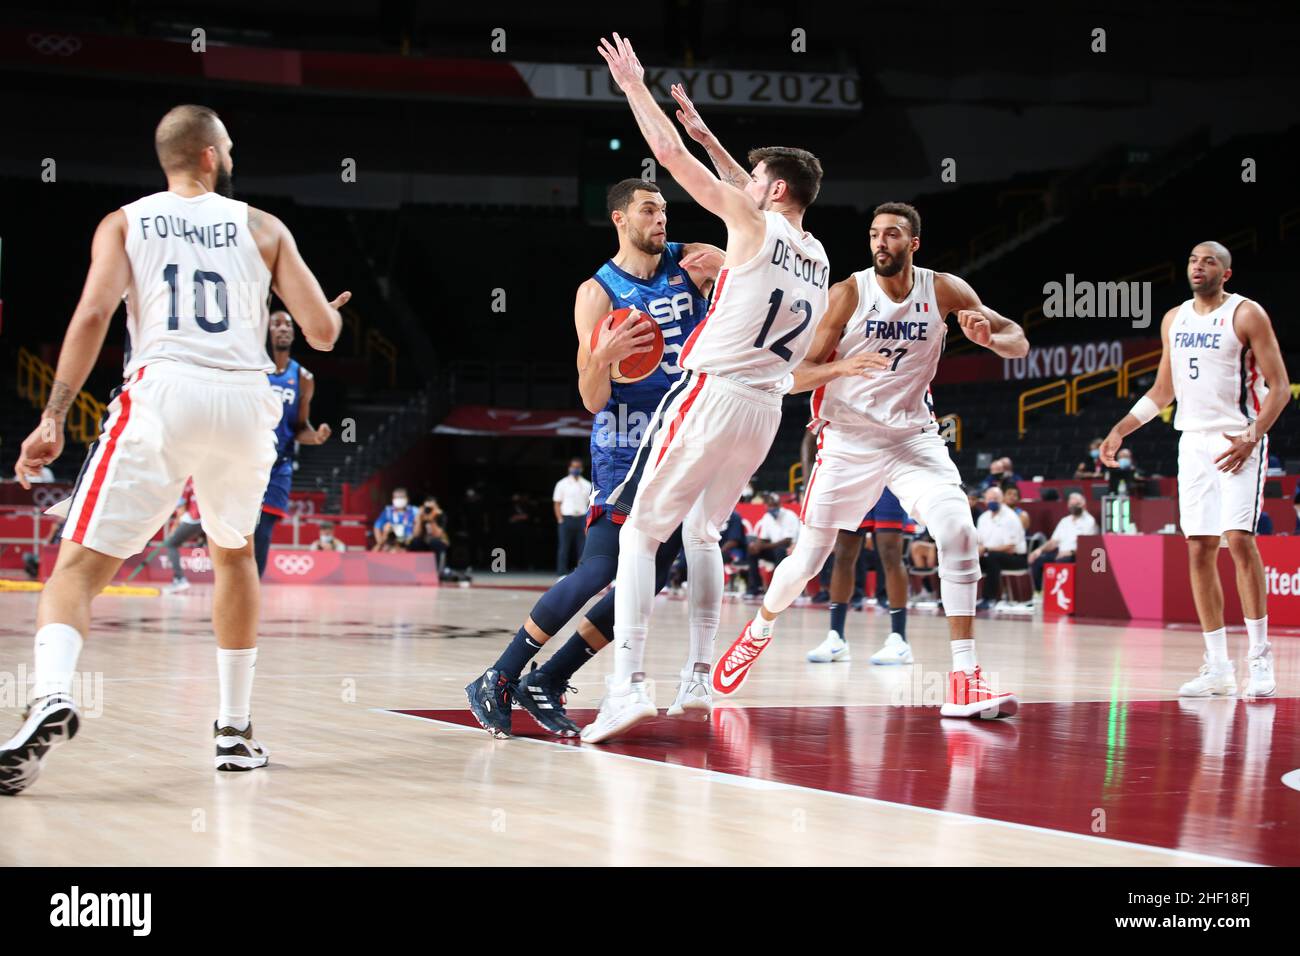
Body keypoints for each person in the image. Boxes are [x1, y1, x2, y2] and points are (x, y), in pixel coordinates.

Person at [2, 104, 346, 793]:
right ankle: (233, 731)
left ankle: (53, 695)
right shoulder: (264, 227)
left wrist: (53, 416)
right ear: (211, 156)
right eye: (230, 147)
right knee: (233, 555)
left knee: (76, 569)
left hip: (164, 392)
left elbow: (93, 315)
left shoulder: (124, 222)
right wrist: (328, 315)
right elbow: (322, 334)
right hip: (246, 401)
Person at [581, 36, 833, 744]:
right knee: (703, 533)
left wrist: (635, 87)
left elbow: (670, 159)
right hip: (764, 411)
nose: (745, 184)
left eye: (757, 179)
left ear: (772, 191)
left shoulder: (750, 222)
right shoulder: (816, 254)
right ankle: (697, 674)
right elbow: (752, 188)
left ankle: (626, 686)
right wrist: (708, 135)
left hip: (714, 392)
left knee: (639, 532)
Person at [714, 198, 1027, 719]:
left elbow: (1019, 341)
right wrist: (840, 368)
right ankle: (759, 629)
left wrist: (990, 337)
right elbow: (792, 377)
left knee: (958, 531)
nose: (881, 242)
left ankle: (964, 678)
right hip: (848, 441)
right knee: (808, 561)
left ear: (914, 243)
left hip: (912, 438)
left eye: (893, 234)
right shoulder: (847, 294)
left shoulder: (944, 289)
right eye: (875, 234)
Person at [465, 174, 722, 738]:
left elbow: (749, 279)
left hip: (685, 440)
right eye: (648, 209)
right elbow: (591, 398)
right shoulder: (597, 293)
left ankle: (549, 678)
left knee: (649, 580)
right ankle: (500, 675)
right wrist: (601, 357)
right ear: (620, 219)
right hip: (627, 446)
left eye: (664, 209)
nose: (661, 218)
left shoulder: (695, 261)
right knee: (602, 569)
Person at [1101, 240, 1289, 698]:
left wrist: (1252, 436)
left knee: (1239, 540)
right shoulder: (1174, 318)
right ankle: (1218, 666)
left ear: (1226, 273)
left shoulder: (1247, 314)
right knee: (1199, 548)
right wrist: (1121, 429)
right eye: (1192, 260)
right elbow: (1163, 390)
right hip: (1193, 442)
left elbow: (1281, 387)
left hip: (1237, 437)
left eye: (1209, 261)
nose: (1198, 266)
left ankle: (1260, 658)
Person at [254, 310, 331, 577]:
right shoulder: (252, 369)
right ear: (267, 331)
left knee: (263, 530)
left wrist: (316, 437)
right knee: (240, 530)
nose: (283, 328)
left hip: (279, 465)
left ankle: (254, 588)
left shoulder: (303, 378)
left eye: (288, 324)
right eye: (277, 324)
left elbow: (299, 428)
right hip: (248, 462)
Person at [806, 488, 914, 665]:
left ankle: (900, 639)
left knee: (891, 551)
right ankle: (836, 637)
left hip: (887, 480)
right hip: (855, 479)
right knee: (843, 553)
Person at [1028, 492, 1098, 590]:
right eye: (1071, 504)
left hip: (1075, 555)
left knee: (1062, 561)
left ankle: (1059, 594)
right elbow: (1053, 542)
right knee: (1037, 560)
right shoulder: (1064, 521)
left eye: (1077, 504)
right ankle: (1039, 592)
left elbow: (1087, 546)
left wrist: (1069, 552)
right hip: (1059, 553)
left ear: (1083, 505)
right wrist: (1039, 550)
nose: (1074, 507)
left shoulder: (1089, 521)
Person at [976, 486, 1028, 609]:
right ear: (985, 501)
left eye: (995, 498)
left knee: (993, 558)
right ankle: (962, 598)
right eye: (989, 499)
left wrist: (986, 549)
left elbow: (1010, 547)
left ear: (1002, 499)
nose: (992, 501)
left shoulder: (1010, 517)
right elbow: (979, 542)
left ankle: (990, 599)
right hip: (991, 556)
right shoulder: (983, 518)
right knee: (968, 560)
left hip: (1016, 558)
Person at [745, 494, 800, 597]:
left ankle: (778, 589)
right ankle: (756, 587)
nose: (772, 508)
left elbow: (787, 541)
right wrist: (756, 546)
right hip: (774, 549)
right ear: (766, 506)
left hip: (789, 550)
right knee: (752, 552)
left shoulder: (790, 516)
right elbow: (763, 538)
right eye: (770, 505)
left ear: (779, 504)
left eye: (775, 505)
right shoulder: (767, 517)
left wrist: (764, 546)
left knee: (780, 551)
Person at [161, 478, 205, 592]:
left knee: (171, 544)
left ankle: (179, 579)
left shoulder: (185, 481)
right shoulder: (200, 477)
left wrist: (174, 528)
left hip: (194, 519)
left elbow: (181, 509)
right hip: (209, 519)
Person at [552, 458, 592, 576]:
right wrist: (560, 519)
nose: (575, 469)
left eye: (578, 467)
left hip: (582, 518)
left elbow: (590, 504)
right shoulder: (562, 484)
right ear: (569, 468)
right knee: (564, 547)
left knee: (582, 548)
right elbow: (557, 503)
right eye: (573, 467)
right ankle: (561, 573)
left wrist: (588, 520)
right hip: (566, 518)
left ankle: (581, 573)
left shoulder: (587, 484)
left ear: (582, 469)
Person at [408, 496, 450, 571]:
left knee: (435, 542)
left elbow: (438, 535)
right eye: (427, 508)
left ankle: (436, 571)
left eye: (431, 508)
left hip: (437, 541)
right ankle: (416, 570)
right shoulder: (420, 515)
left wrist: (432, 519)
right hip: (424, 540)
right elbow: (416, 534)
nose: (428, 510)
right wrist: (419, 518)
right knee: (415, 542)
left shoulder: (441, 515)